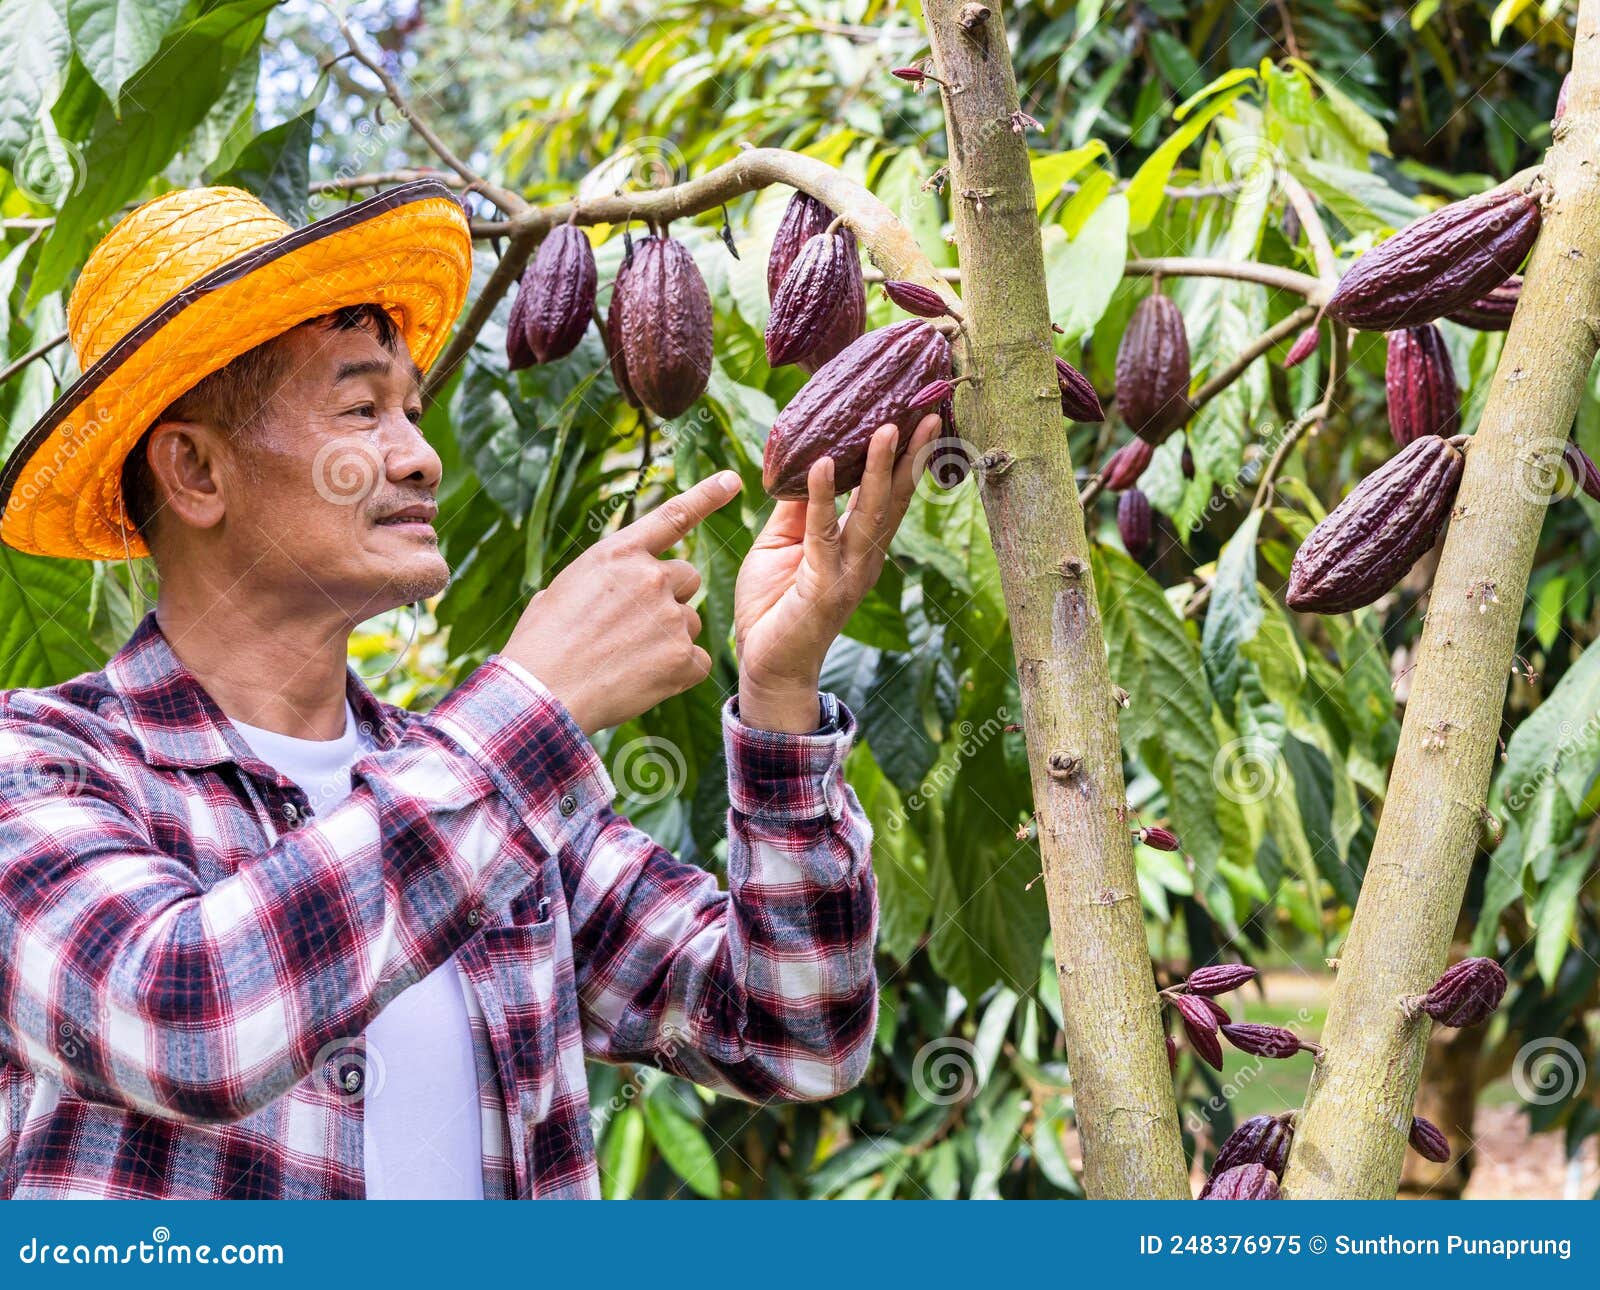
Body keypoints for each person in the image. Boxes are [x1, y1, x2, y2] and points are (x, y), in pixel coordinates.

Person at [0, 181, 939, 1199]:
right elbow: (187, 1021)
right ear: (194, 472)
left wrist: (781, 690)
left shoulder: (485, 798)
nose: (420, 457)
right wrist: (534, 701)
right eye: (363, 410)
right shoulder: (42, 767)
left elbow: (795, 1032)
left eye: (411, 409)